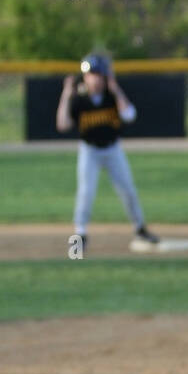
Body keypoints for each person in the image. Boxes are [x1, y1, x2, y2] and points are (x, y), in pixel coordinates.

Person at [55, 53, 160, 256]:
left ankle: (140, 228)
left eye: (98, 75)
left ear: (106, 77)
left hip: (113, 149)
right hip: (89, 150)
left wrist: (116, 89)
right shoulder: (79, 99)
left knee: (128, 189)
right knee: (86, 193)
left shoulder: (112, 96)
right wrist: (66, 94)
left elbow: (130, 115)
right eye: (90, 74)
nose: (93, 79)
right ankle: (80, 236)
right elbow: (62, 124)